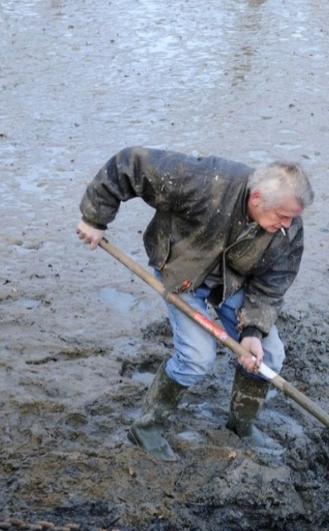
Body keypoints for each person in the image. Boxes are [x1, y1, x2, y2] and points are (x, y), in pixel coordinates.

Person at [76, 147, 313, 462]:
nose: (287, 226)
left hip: (232, 279)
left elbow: (272, 284)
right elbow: (130, 164)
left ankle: (241, 425)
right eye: (282, 216)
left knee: (269, 354)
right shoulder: (206, 181)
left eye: (292, 218)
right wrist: (95, 218)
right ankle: (146, 428)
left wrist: (253, 330)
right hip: (182, 270)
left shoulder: (288, 228)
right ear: (257, 199)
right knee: (197, 357)